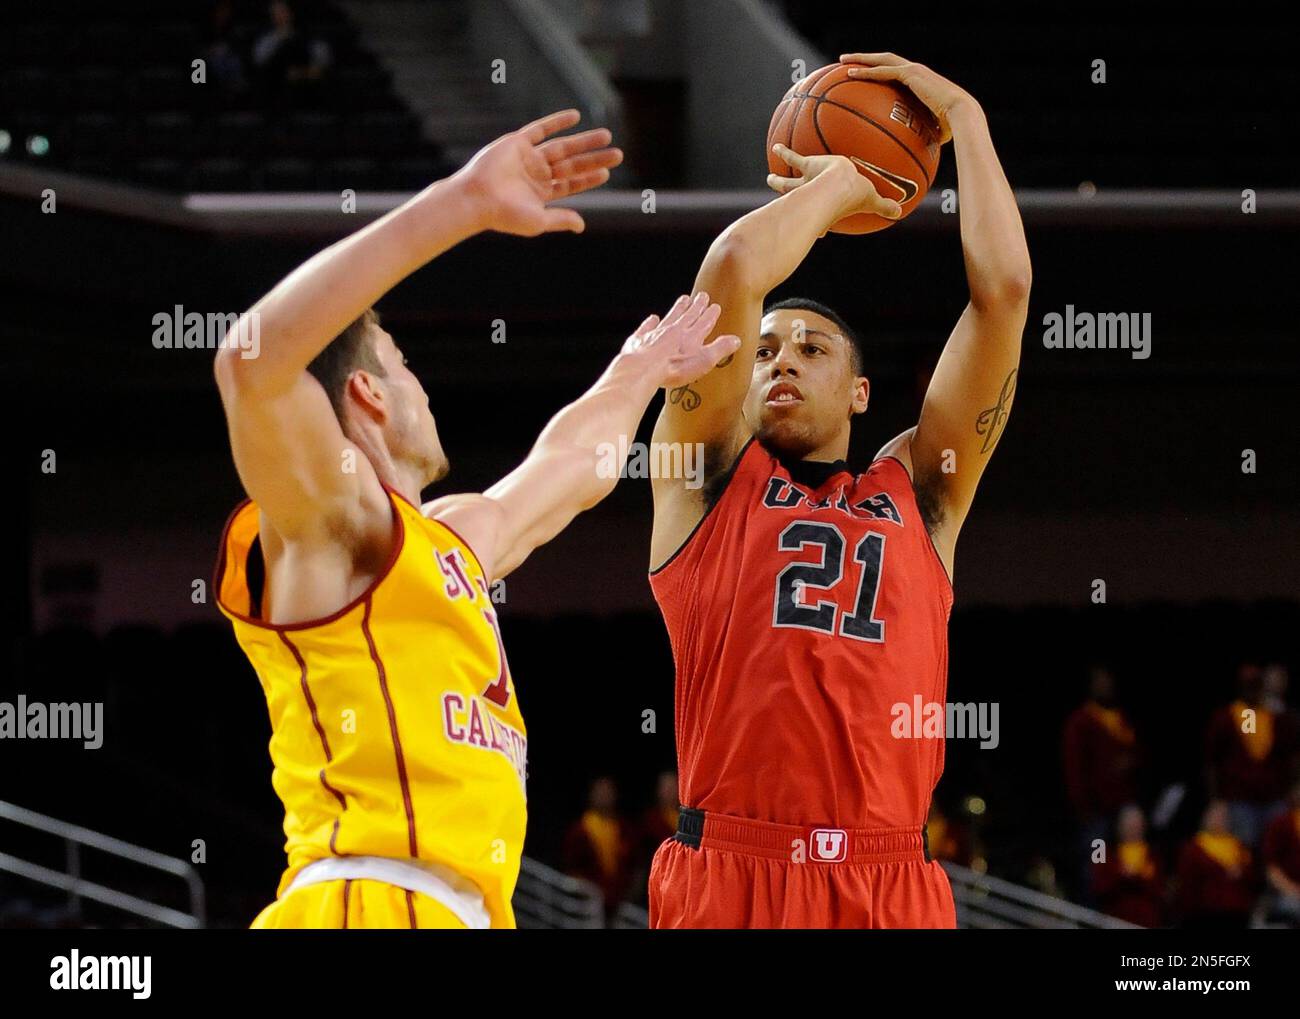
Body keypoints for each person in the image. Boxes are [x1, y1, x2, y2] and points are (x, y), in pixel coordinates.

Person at [212, 109, 738, 928]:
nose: (424, 388)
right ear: (369, 393)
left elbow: (572, 467)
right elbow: (249, 363)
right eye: (406, 365)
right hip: (366, 899)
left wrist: (638, 374)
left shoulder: (452, 539)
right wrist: (460, 204)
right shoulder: (335, 520)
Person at [646, 52, 1031, 927]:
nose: (781, 360)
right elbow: (734, 267)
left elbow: (1005, 294)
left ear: (860, 393)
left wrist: (967, 117)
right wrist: (840, 189)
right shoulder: (703, 481)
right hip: (731, 871)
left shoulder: (922, 495)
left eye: (811, 349)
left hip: (885, 877)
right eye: (765, 351)